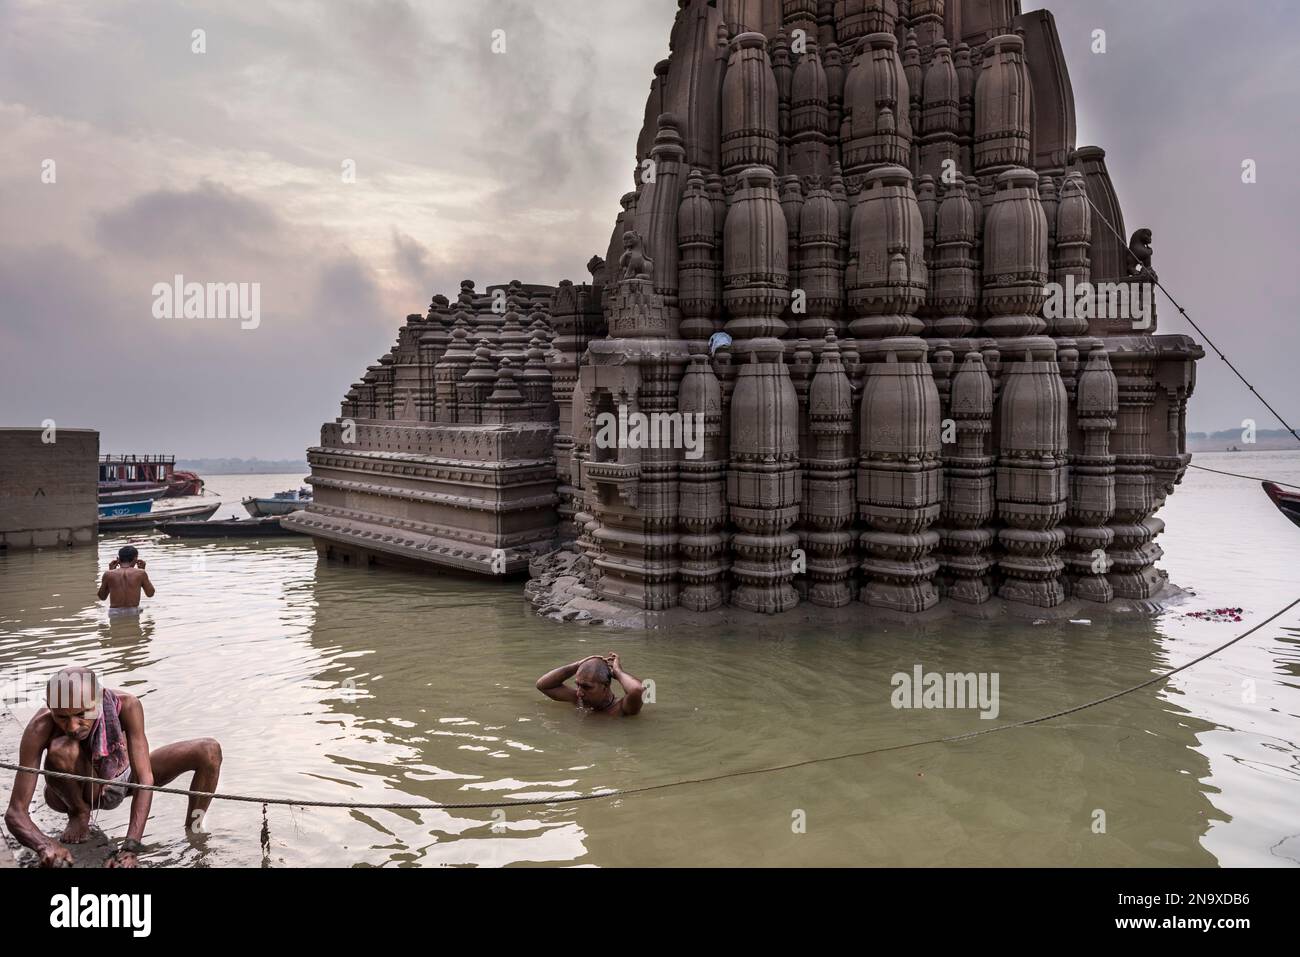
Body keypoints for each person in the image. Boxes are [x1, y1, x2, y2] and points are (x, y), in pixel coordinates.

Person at [3, 667, 223, 868]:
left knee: (208, 750)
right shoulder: (39, 728)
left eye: (82, 714)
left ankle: (194, 828)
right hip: (74, 791)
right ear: (50, 707)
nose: (72, 726)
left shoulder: (127, 705)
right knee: (63, 747)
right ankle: (79, 812)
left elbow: (145, 779)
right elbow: (15, 813)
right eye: (62, 717)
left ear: (98, 701)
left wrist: (130, 848)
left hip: (122, 777)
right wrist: (45, 845)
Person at [535, 653, 645, 716]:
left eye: (587, 687)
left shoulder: (622, 708)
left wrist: (618, 671)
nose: (579, 693)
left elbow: (637, 689)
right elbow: (543, 685)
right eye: (577, 685)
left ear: (605, 687)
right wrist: (577, 665)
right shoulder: (579, 700)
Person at [97, 545, 154, 613]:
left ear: (118, 559)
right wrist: (142, 571)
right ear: (135, 559)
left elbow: (102, 597)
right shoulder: (141, 573)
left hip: (114, 612)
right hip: (133, 611)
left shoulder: (108, 574)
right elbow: (150, 594)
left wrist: (110, 572)